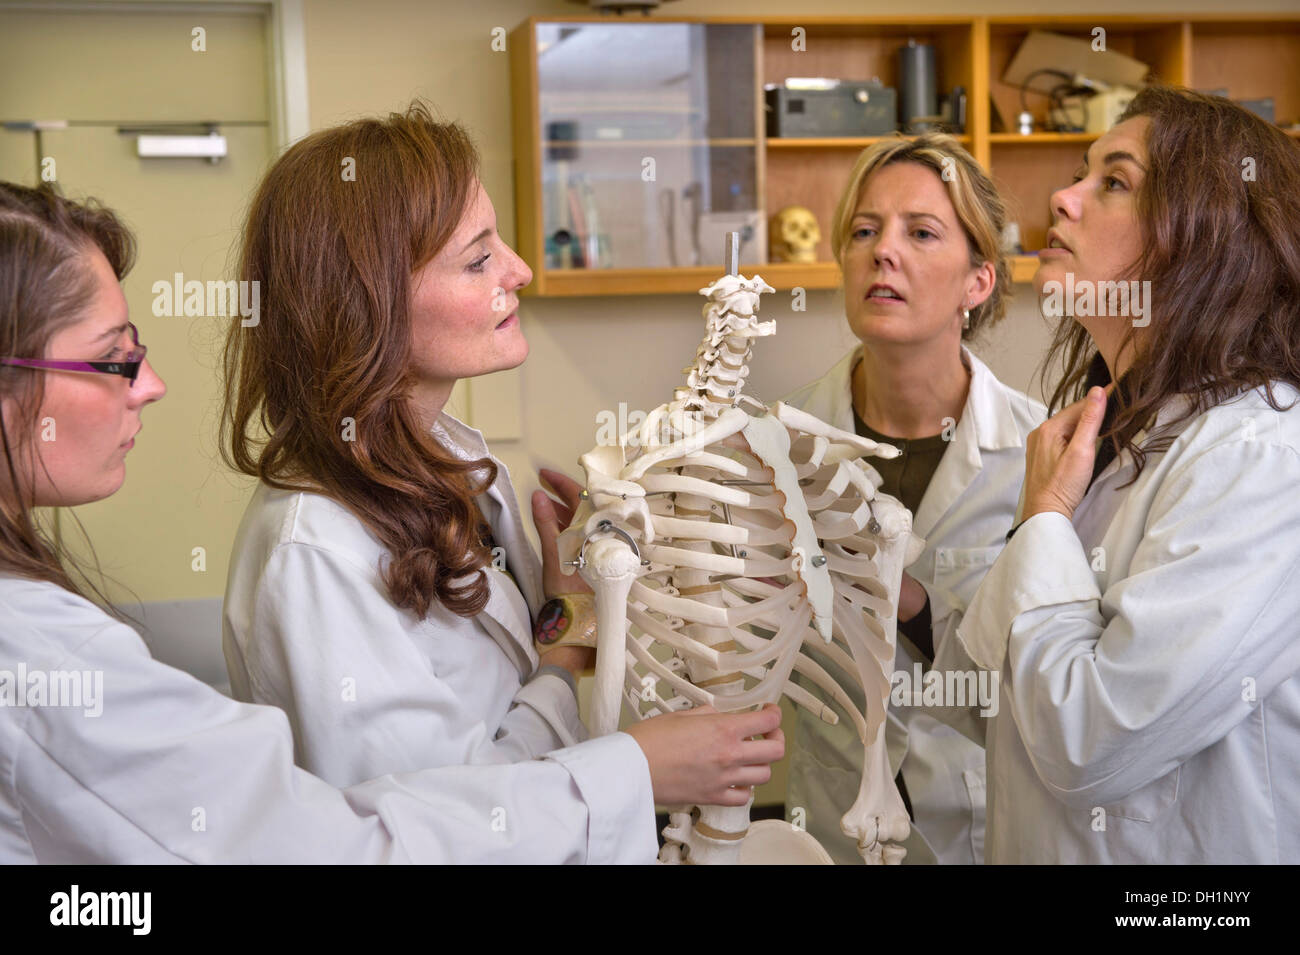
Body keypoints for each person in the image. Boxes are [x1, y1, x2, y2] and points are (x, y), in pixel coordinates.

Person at [0, 179, 782, 864]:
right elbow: (376, 836)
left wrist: (567, 617)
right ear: (365, 300)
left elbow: (514, 708)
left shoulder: (463, 468)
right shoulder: (315, 549)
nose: (520, 270)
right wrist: (628, 770)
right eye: (114, 356)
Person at [956, 86, 1300, 863]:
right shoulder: (1114, 430)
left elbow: (1090, 745)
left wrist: (1042, 521)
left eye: (1113, 180)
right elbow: (1001, 689)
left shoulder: (1262, 456)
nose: (1061, 197)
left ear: (1208, 236)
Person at [783, 133, 1045, 864]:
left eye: (920, 232)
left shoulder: (1039, 451)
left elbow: (1053, 686)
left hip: (980, 826)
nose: (881, 252)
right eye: (863, 231)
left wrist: (911, 601)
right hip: (826, 822)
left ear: (978, 281)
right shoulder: (781, 442)